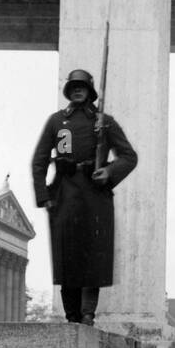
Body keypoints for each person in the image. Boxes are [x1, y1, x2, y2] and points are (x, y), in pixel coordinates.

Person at [31, 69, 138, 325]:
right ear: (68, 91)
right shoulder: (56, 121)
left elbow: (129, 157)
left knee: (93, 255)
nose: (78, 90)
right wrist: (43, 196)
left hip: (95, 194)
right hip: (64, 193)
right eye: (74, 86)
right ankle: (72, 317)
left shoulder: (105, 122)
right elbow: (39, 161)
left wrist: (109, 172)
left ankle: (88, 314)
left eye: (82, 86)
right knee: (67, 257)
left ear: (90, 91)